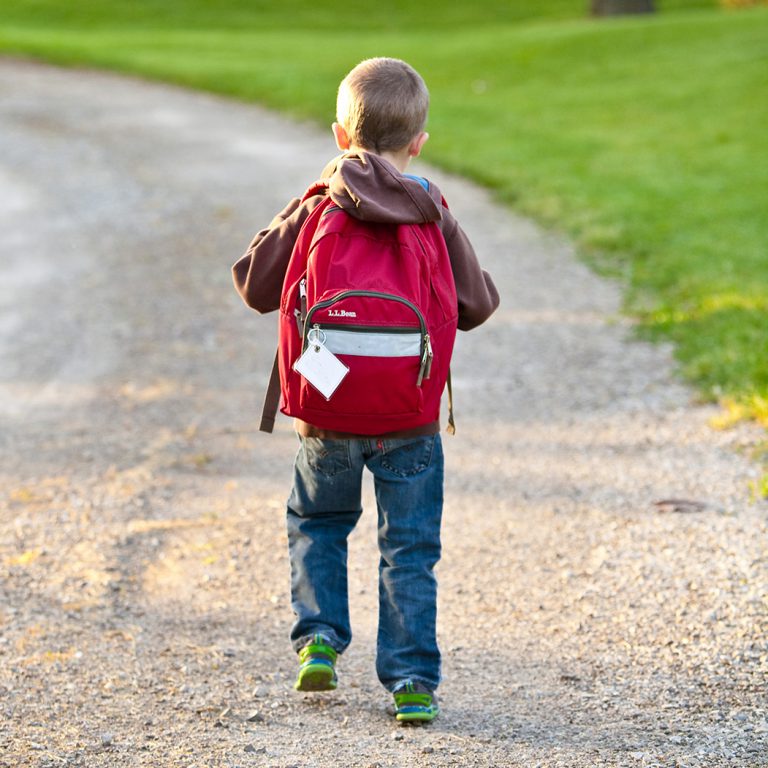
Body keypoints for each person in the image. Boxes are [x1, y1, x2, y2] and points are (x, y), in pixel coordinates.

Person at [232, 57, 499, 723]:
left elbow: (254, 284)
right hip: (410, 417)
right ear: (419, 142)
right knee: (408, 549)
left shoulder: (321, 203)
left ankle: (319, 639)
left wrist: (308, 198)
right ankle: (411, 682)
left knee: (318, 522)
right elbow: (478, 304)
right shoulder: (431, 207)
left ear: (339, 136)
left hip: (327, 413)